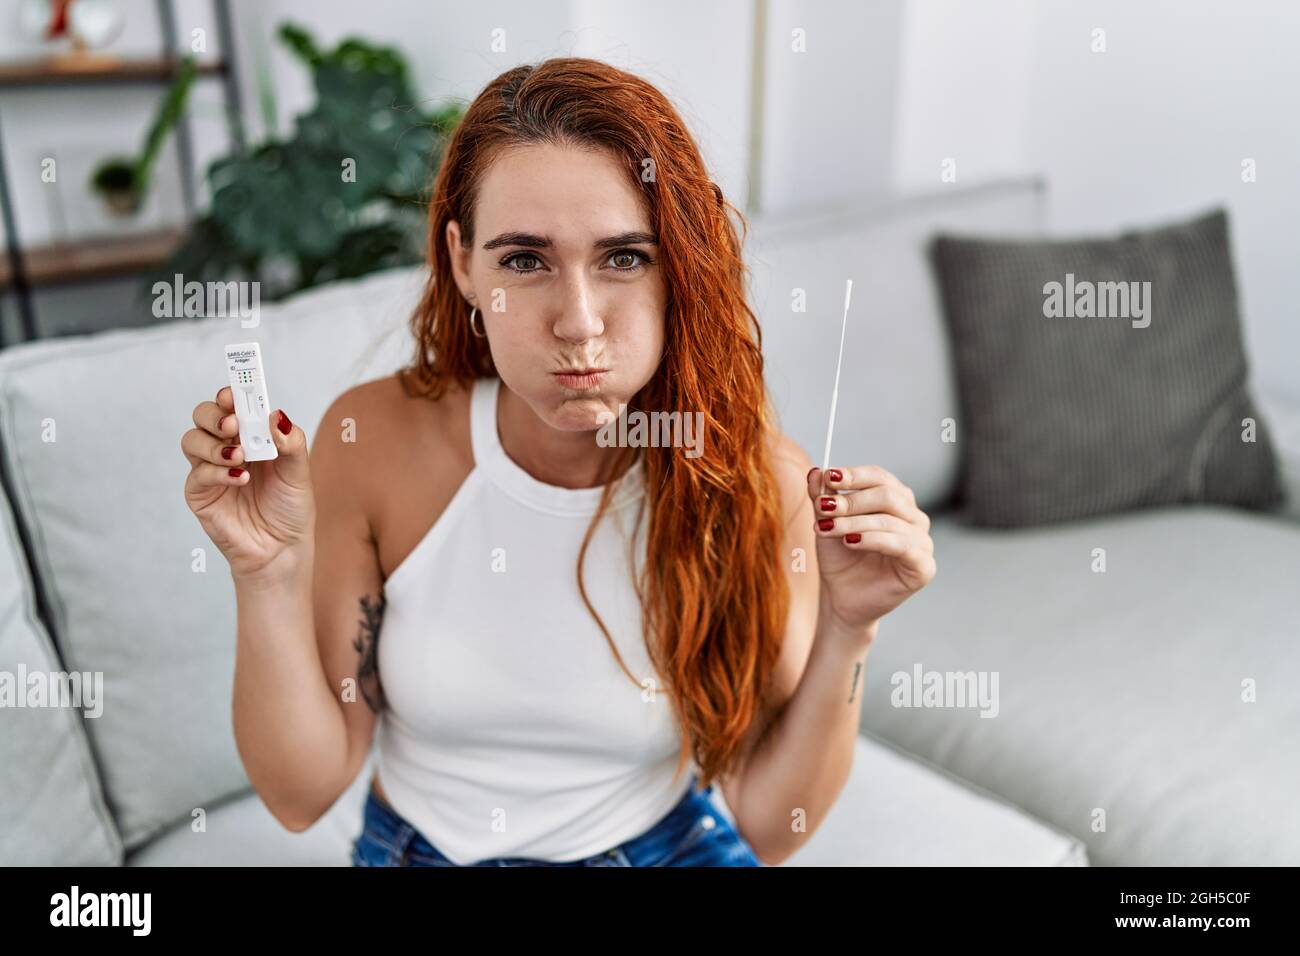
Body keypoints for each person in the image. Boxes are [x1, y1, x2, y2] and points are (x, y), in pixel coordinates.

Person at [181, 57, 936, 867]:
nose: (578, 324)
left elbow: (764, 822)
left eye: (623, 257)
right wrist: (264, 573)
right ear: (464, 263)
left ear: (679, 266)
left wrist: (849, 629)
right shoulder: (376, 441)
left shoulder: (754, 476)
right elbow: (302, 795)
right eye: (525, 260)